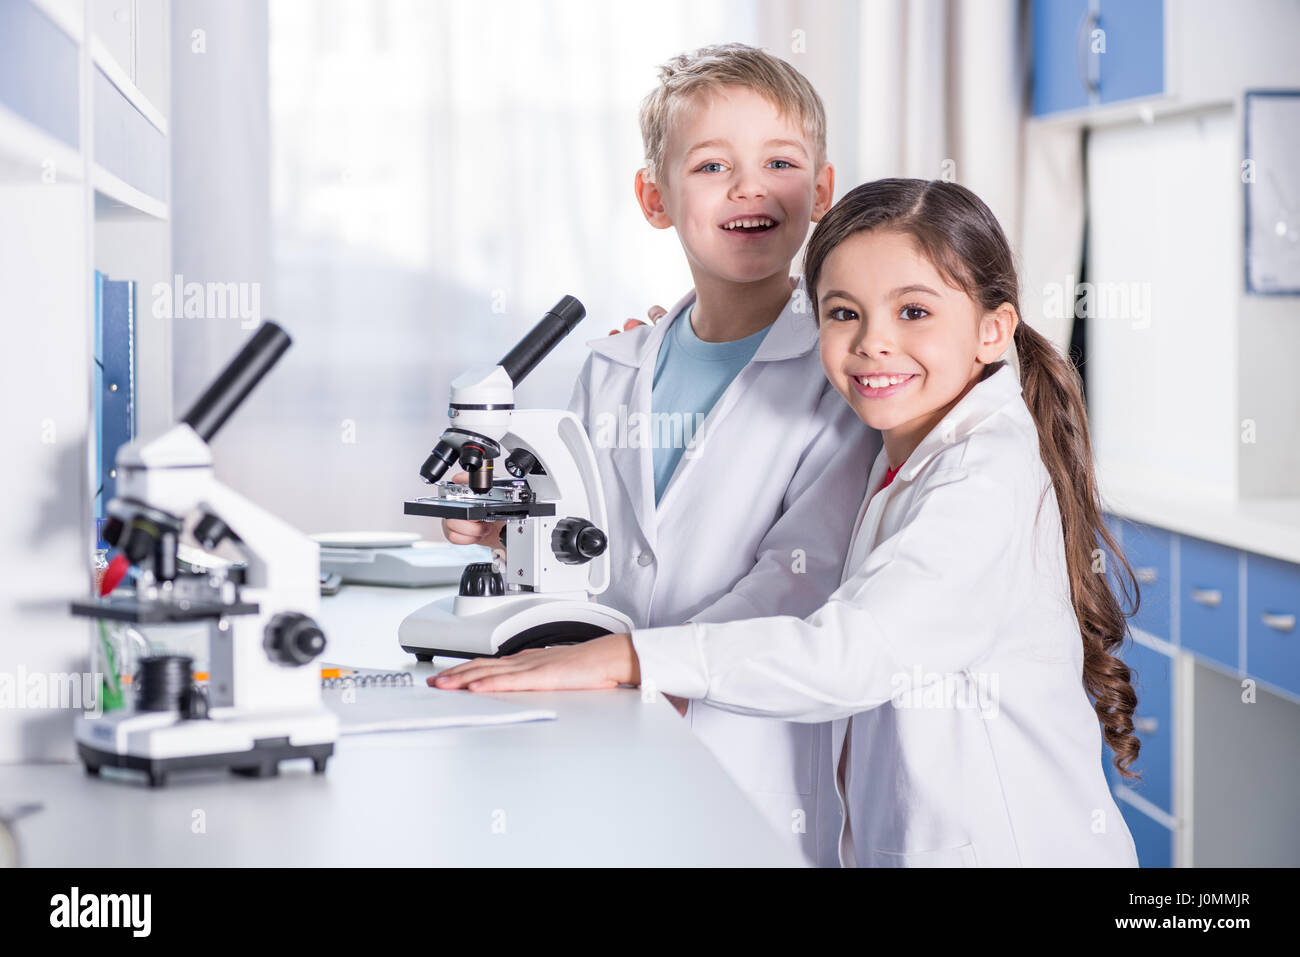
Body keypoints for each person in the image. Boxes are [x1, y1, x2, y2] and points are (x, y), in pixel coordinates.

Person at [433, 178, 1143, 867]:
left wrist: (628, 656)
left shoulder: (980, 480)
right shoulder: (902, 449)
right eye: (843, 312)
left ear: (994, 331)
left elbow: (852, 655)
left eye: (914, 312)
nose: (873, 343)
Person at [441, 44, 881, 866]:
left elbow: (797, 582)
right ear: (655, 198)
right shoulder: (614, 365)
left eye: (779, 161)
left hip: (748, 757)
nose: (748, 186)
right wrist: (511, 533)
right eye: (712, 164)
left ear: (820, 191)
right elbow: (593, 541)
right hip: (600, 733)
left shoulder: (840, 372)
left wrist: (637, 667)